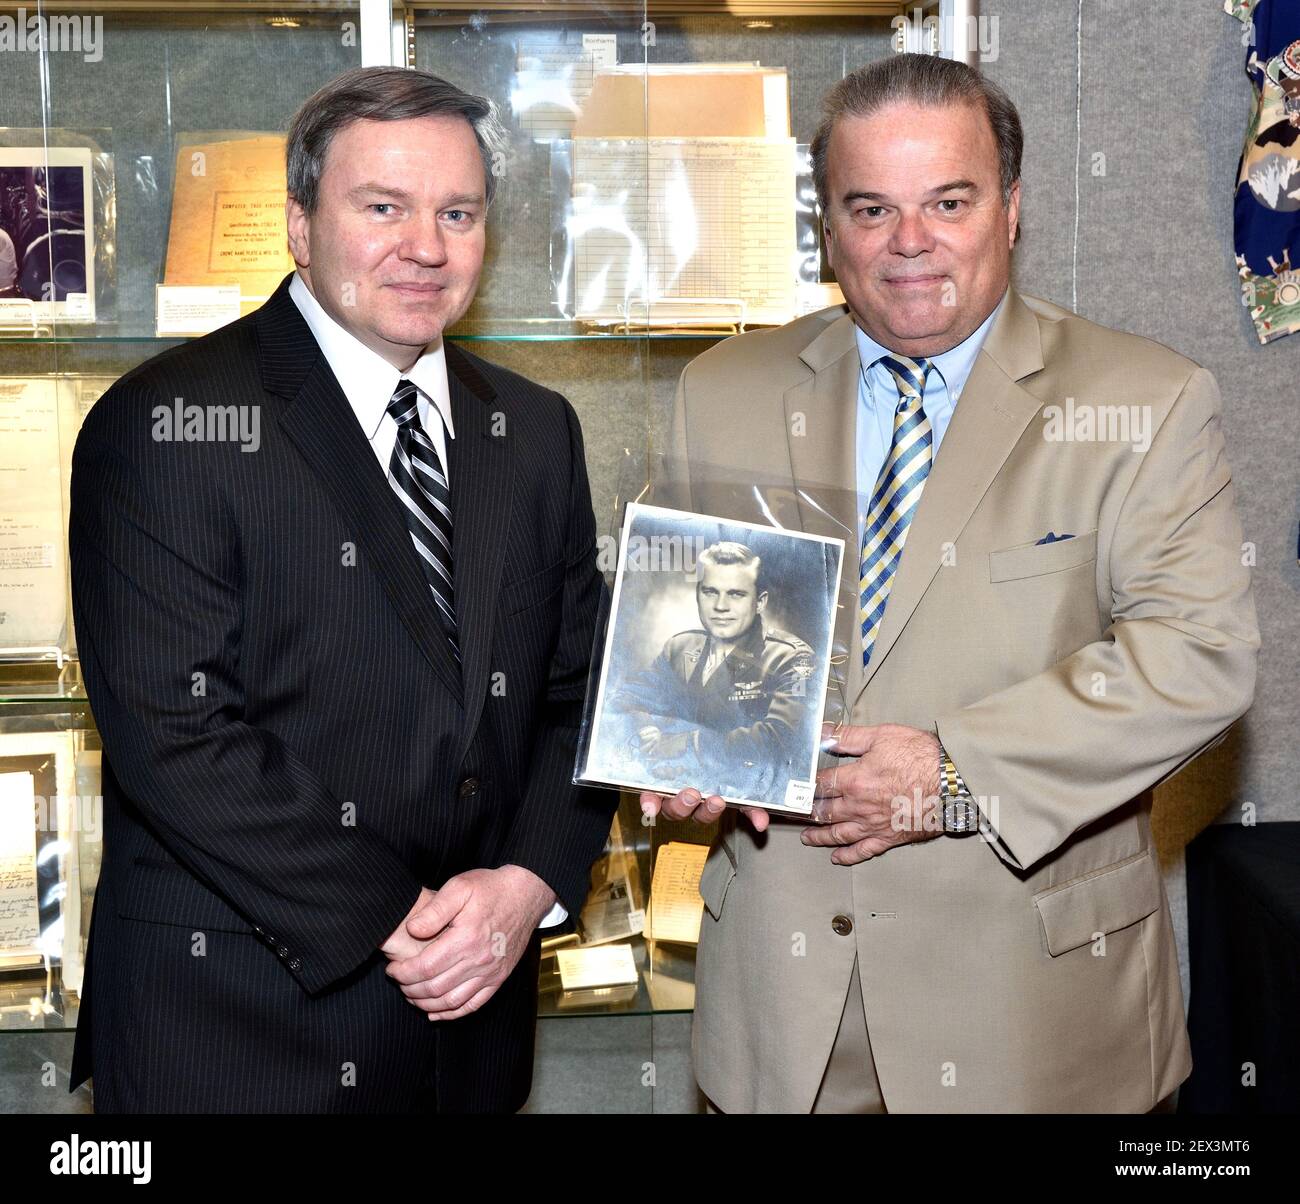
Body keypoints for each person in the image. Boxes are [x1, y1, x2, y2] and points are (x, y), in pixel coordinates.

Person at [643, 54, 1259, 1113]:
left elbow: (1195, 659)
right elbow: (704, 659)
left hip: (1033, 1019)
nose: (909, 241)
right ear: (827, 225)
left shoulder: (1144, 400)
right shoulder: (721, 390)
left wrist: (955, 774)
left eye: (948, 201)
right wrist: (689, 747)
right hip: (781, 1016)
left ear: (1010, 210)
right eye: (870, 207)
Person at [68, 66, 614, 1113]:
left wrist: (527, 886)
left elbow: (578, 693)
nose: (427, 245)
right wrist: (401, 918)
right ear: (298, 223)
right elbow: (176, 735)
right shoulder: (168, 424)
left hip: (473, 1024)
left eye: (458, 212)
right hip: (235, 1028)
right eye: (382, 208)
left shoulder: (535, 430)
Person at [609, 540, 816, 803]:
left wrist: (688, 741)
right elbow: (622, 699)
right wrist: (645, 726)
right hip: (676, 790)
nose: (720, 606)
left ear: (760, 601)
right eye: (710, 592)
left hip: (750, 802)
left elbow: (778, 741)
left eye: (736, 594)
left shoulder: (792, 657)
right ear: (697, 594)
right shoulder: (680, 647)